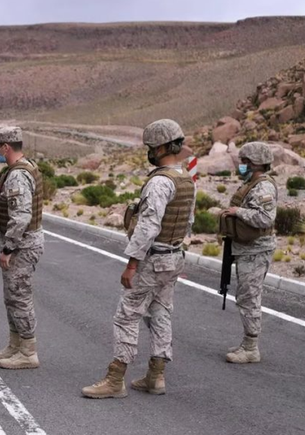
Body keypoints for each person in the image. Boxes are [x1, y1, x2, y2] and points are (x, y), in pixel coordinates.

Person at [81, 119, 195, 399]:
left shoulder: (159, 182)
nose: (149, 151)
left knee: (126, 315)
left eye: (152, 147)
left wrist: (132, 263)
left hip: (152, 260)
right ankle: (156, 376)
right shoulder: (185, 180)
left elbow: (148, 225)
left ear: (164, 147)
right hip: (173, 257)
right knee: (160, 311)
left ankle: (115, 378)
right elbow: (189, 223)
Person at [0, 127, 45, 370]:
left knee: (19, 297)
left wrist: (8, 248)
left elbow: (21, 216)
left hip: (22, 244)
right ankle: (15, 344)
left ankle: (28, 352)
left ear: (6, 147)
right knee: (12, 296)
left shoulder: (18, 175)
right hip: (24, 241)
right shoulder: (22, 168)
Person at [221, 142, 277, 364]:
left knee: (249, 297)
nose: (241, 166)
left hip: (256, 250)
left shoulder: (263, 188)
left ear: (255, 164)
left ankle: (251, 348)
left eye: (244, 162)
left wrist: (238, 212)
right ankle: (247, 343)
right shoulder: (252, 184)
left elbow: (265, 218)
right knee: (246, 296)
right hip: (247, 248)